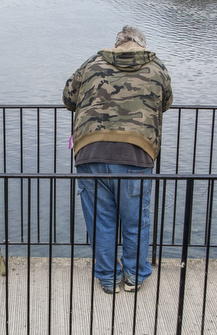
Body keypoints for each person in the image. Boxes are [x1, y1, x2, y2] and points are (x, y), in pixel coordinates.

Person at [63, 26, 173, 294]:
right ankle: (134, 275)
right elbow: (166, 102)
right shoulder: (157, 67)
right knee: (136, 220)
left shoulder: (92, 63)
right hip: (135, 154)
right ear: (141, 45)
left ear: (117, 44)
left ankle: (109, 278)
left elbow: (68, 97)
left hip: (91, 152)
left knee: (101, 220)